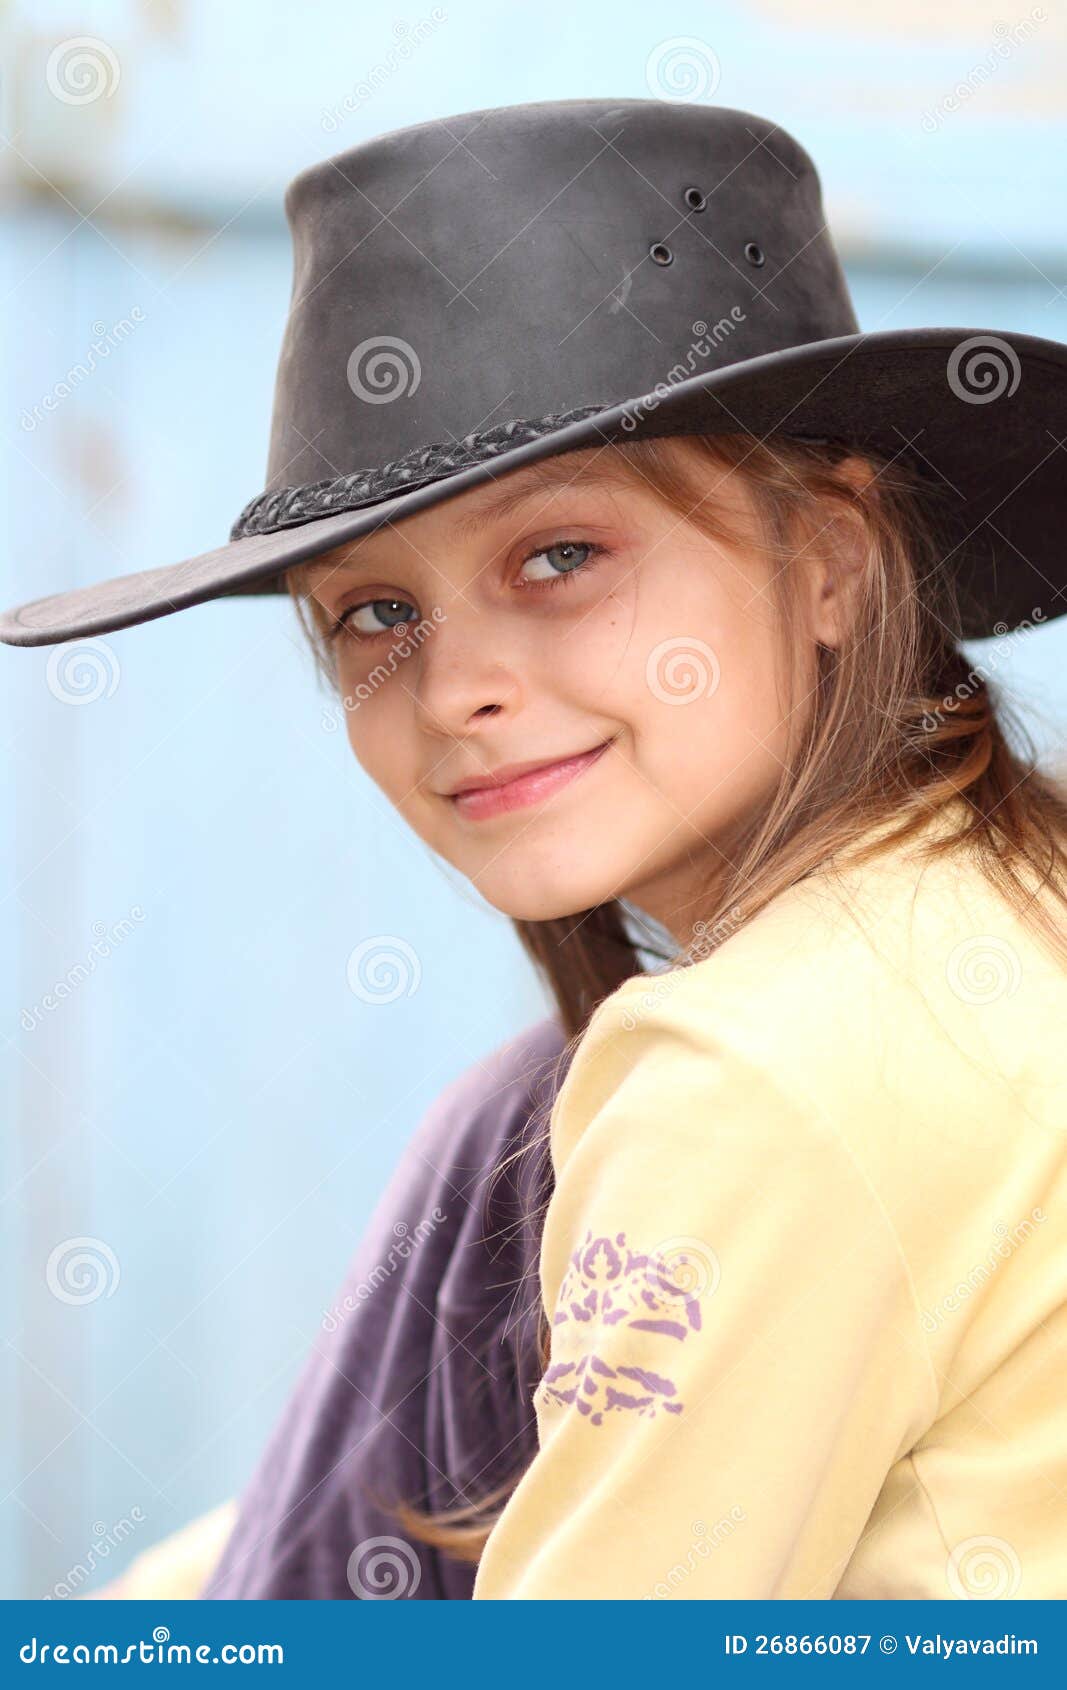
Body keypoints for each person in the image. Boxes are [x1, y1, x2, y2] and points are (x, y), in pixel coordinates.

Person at [4, 98, 1067, 1600]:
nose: (454, 691)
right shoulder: (1000, 909)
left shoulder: (755, 1077)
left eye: (560, 556)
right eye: (376, 613)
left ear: (830, 558)